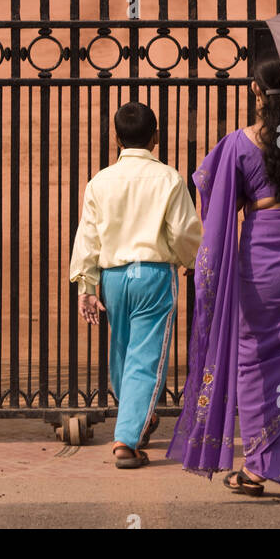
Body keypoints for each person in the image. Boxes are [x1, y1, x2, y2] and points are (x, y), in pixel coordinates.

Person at [166, 56, 280, 501]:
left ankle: (255, 469)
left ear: (254, 90)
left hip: (263, 272)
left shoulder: (238, 144)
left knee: (255, 366)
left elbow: (212, 205)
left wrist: (204, 262)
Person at [69, 101, 202, 468]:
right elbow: (183, 231)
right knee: (146, 358)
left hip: (113, 277)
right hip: (153, 276)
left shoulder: (100, 181)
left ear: (116, 138)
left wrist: (87, 286)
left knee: (123, 354)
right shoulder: (169, 179)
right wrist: (192, 261)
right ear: (156, 137)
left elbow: (88, 237)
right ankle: (126, 440)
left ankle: (138, 417)